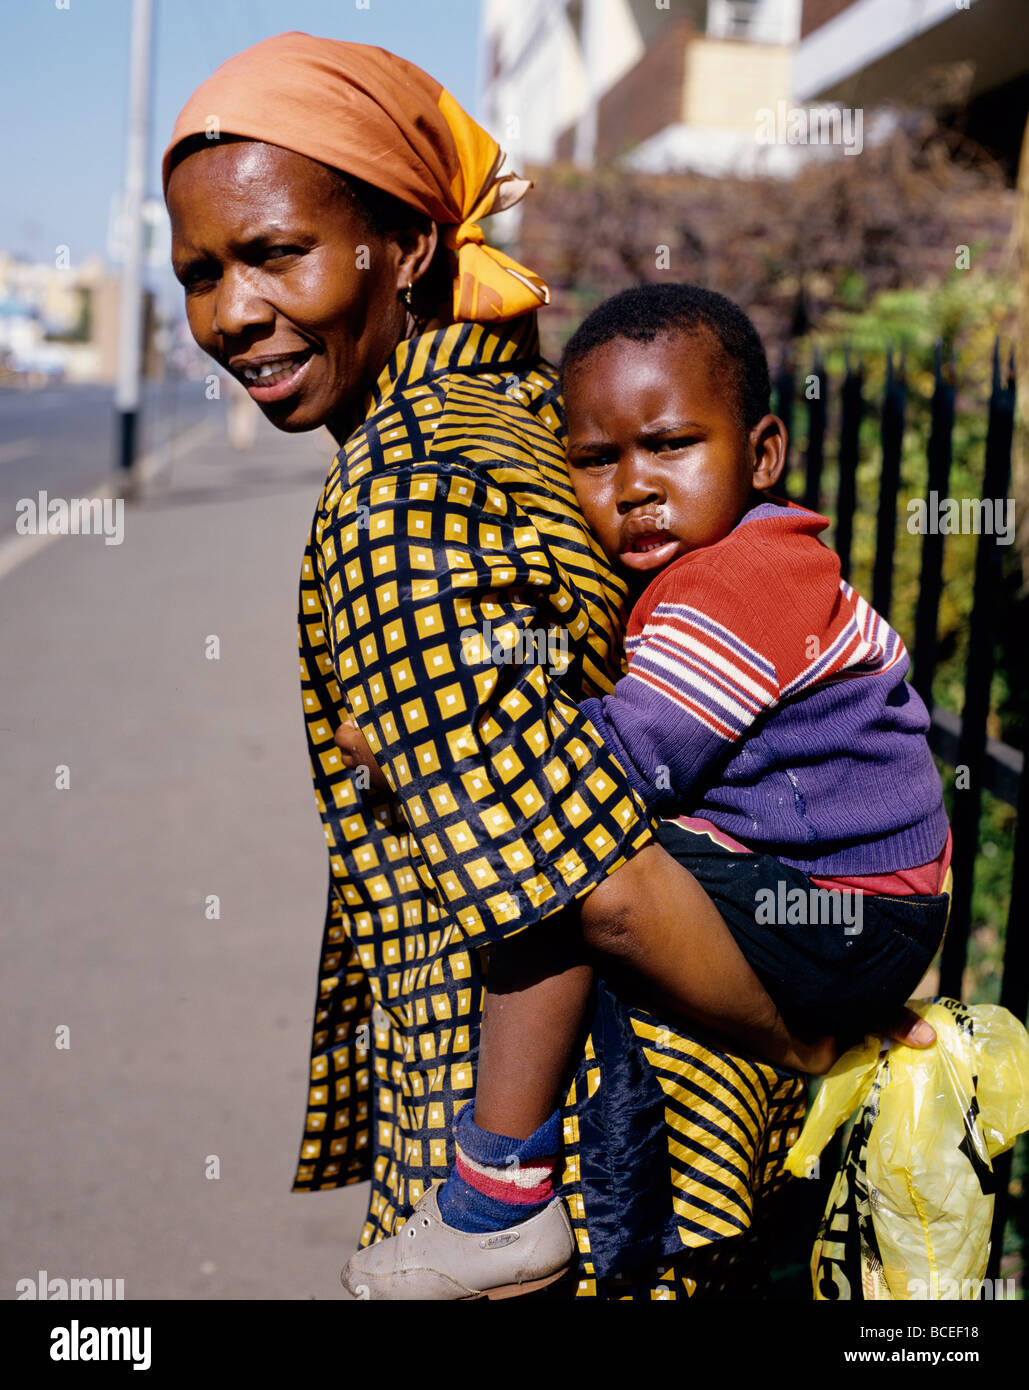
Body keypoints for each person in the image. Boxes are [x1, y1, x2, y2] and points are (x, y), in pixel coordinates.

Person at [163, 32, 934, 1302]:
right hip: (682, 1129)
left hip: (577, 1169)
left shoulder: (406, 498)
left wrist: (794, 1030)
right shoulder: (520, 417)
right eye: (201, 272)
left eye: (274, 252)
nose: (232, 312)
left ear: (406, 245)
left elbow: (592, 874)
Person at [338, 283, 953, 1298]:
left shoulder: (737, 583)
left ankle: (498, 1200)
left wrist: (426, 748)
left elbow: (630, 761)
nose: (633, 486)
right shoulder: (752, 558)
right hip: (859, 906)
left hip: (845, 914)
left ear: (761, 455)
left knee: (545, 847)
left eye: (670, 445)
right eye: (596, 459)